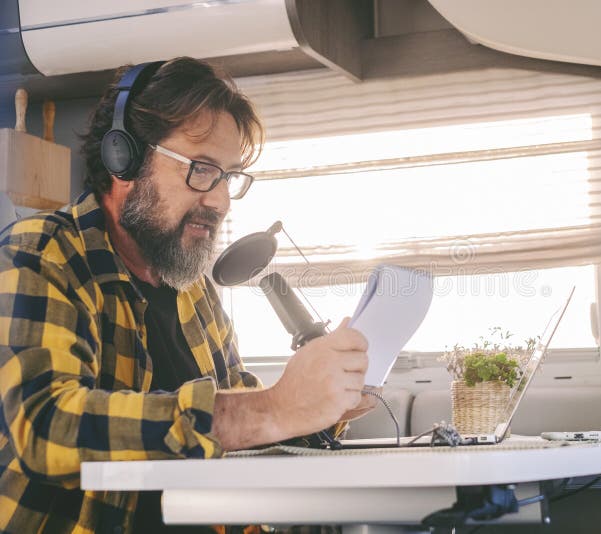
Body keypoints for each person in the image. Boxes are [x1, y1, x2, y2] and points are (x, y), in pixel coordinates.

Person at [0, 57, 374, 533]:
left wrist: (321, 408)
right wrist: (271, 408)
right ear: (124, 158)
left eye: (228, 177)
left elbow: (241, 422)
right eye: (201, 169)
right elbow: (46, 428)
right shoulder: (38, 255)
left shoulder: (192, 286)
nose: (218, 201)